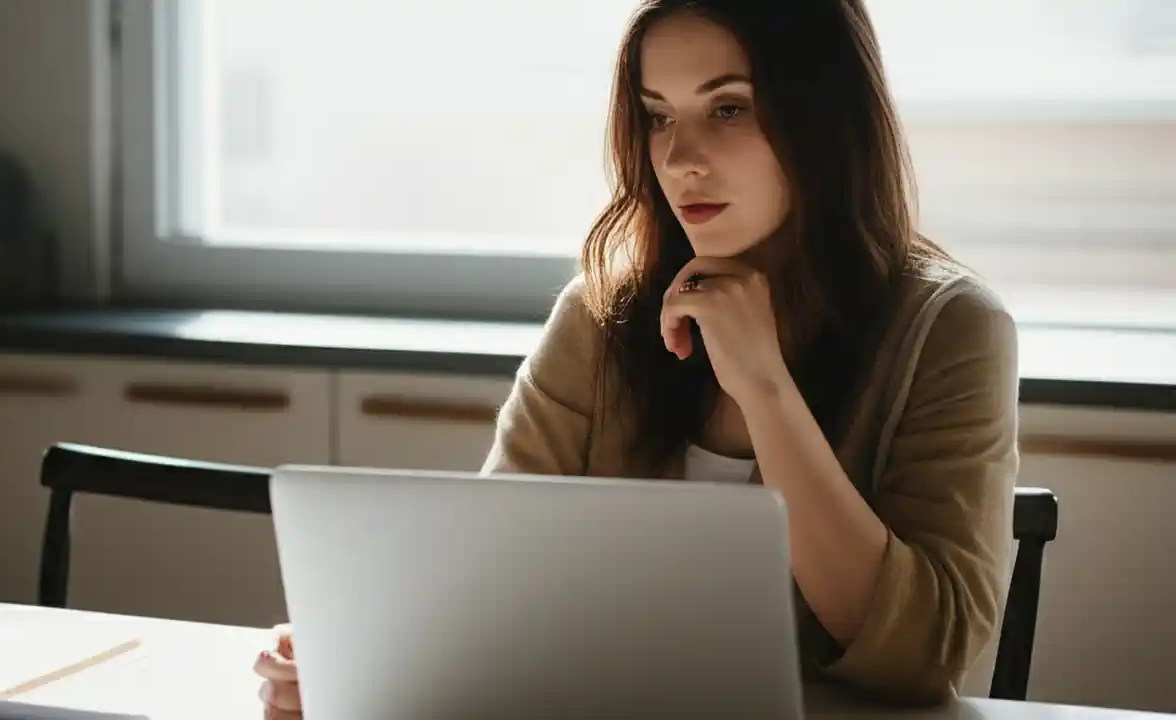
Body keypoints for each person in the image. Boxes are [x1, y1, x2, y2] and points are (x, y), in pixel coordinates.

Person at [254, 1, 1019, 715]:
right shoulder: (601, 317)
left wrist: (765, 389)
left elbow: (925, 656)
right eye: (658, 117)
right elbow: (489, 576)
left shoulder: (950, 330)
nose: (680, 158)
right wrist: (357, 655)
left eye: (728, 108)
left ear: (825, 117)